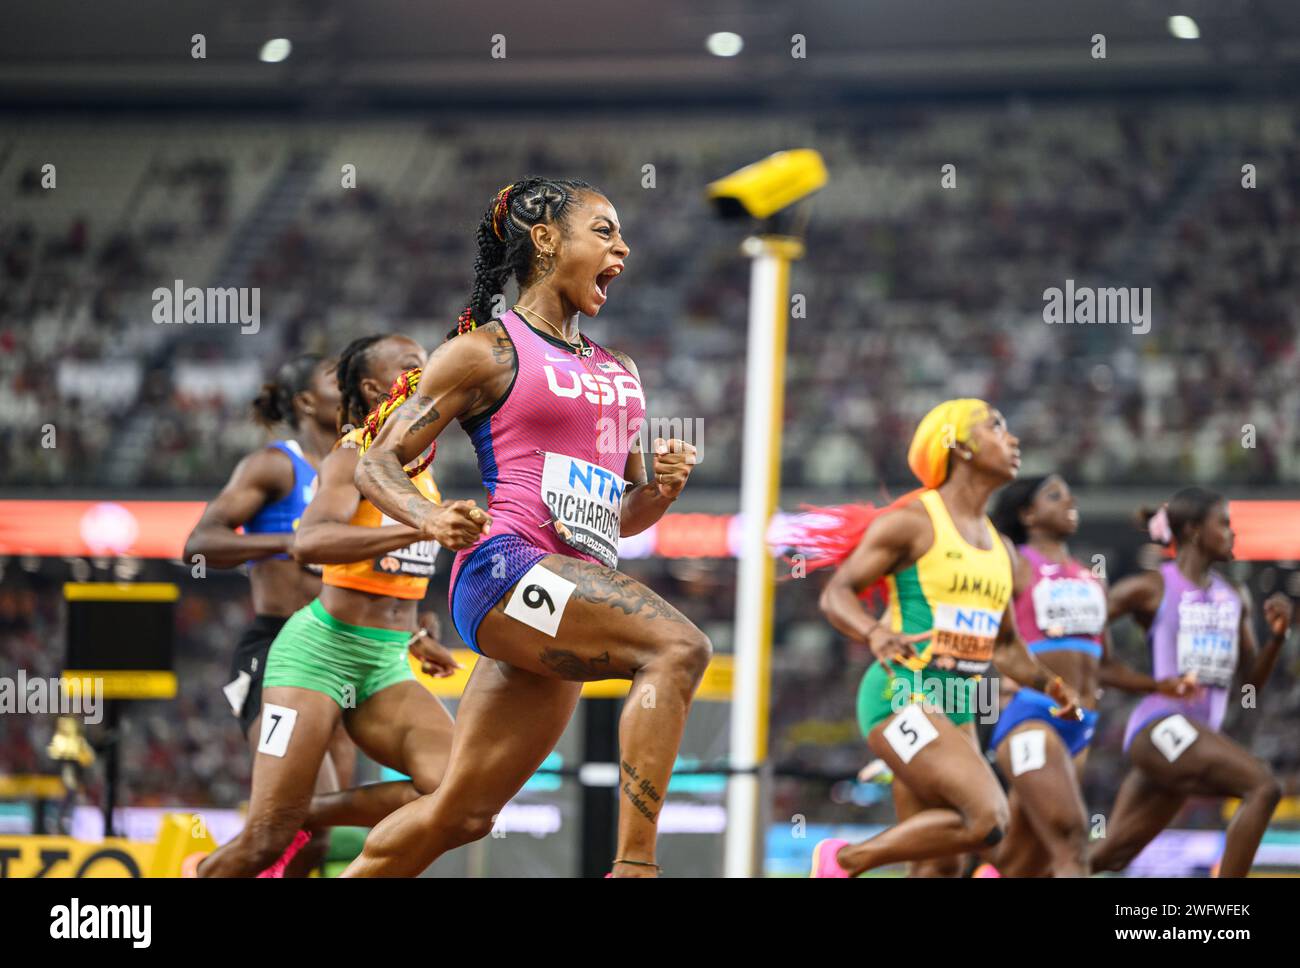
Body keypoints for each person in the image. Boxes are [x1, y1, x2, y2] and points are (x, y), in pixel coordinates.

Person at [342, 177, 709, 878]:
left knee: (463, 813)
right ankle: (635, 867)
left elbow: (622, 516)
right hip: (505, 570)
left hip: (573, 585)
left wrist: (660, 491)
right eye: (604, 232)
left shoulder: (620, 371)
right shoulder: (486, 351)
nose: (623, 248)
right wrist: (428, 514)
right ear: (545, 240)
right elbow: (376, 463)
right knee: (678, 649)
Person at [195, 334, 460, 877]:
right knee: (267, 842)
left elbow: (388, 579)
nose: (425, 373)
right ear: (371, 387)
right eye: (411, 366)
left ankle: (303, 812)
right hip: (313, 652)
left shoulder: (421, 472)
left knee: (457, 791)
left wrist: (415, 635)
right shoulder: (349, 457)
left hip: (383, 660)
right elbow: (309, 544)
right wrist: (422, 524)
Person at [799, 399, 1081, 878]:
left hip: (957, 708)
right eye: (996, 427)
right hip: (900, 697)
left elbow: (1006, 645)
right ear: (958, 445)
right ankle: (842, 861)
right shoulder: (914, 522)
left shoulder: (1005, 551)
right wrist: (875, 632)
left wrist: (1051, 685)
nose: (1012, 439)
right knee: (991, 817)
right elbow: (837, 595)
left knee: (942, 868)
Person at [182, 353, 350, 875]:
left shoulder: (358, 467)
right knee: (296, 819)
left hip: (343, 652)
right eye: (334, 379)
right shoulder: (277, 465)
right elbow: (198, 544)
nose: (347, 386)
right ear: (305, 401)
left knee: (320, 836)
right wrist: (297, 541)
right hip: (278, 653)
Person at [984, 474, 1194, 877]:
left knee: (1025, 863)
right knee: (1072, 839)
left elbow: (1106, 666)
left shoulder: (1090, 577)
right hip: (1032, 715)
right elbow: (996, 635)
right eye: (1054, 495)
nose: (1070, 500)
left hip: (1080, 728)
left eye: (1069, 493)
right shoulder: (1015, 563)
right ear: (1028, 513)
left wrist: (1158, 685)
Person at [1090, 487, 1294, 877]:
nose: (1234, 534)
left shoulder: (1234, 598)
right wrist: (1140, 682)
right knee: (1264, 787)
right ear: (1196, 531)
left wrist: (1278, 639)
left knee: (1109, 856)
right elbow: (1086, 628)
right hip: (1160, 727)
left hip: (1192, 740)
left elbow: (1249, 685)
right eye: (1225, 524)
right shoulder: (1152, 587)